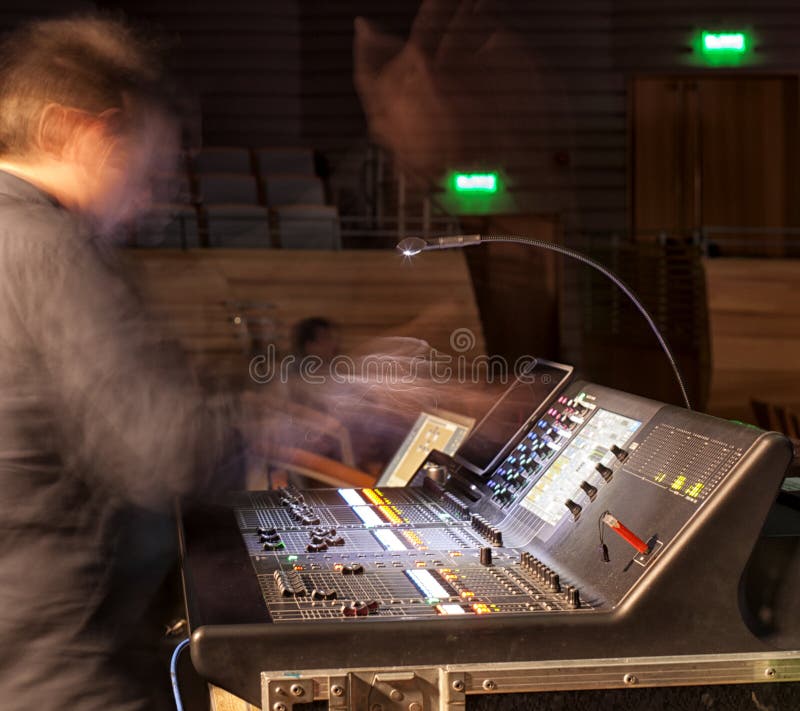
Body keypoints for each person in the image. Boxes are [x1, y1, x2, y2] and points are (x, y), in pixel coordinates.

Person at [0, 14, 241, 710]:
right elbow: (168, 450)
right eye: (147, 168)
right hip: (61, 671)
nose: (150, 200)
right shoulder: (50, 246)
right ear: (88, 132)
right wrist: (326, 407)